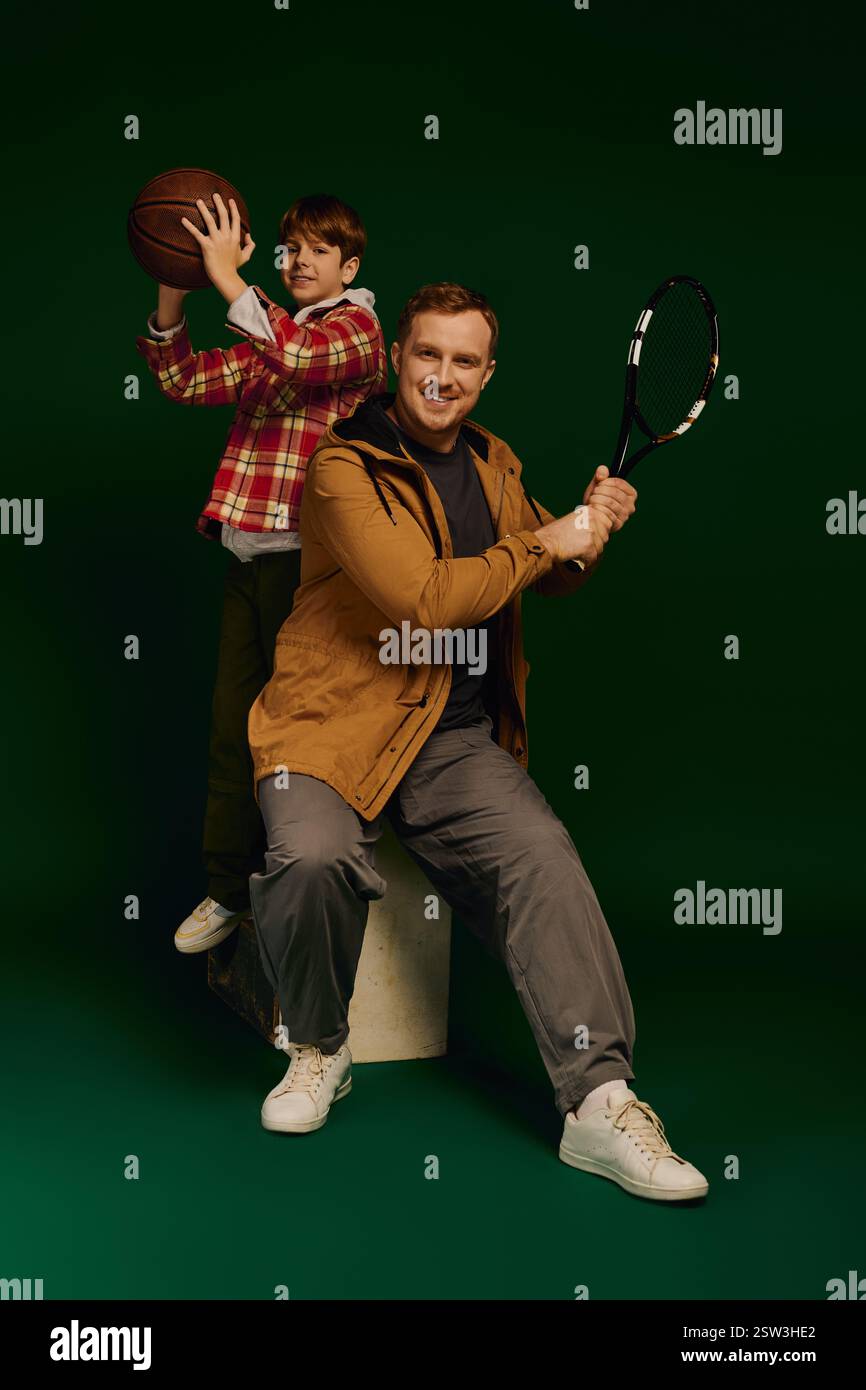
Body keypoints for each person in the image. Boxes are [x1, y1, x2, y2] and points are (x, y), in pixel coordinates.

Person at [246, 282, 708, 1203]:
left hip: (446, 732)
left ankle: (600, 1105)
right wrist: (550, 540)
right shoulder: (344, 468)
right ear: (396, 361)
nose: (443, 377)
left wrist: (588, 539)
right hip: (330, 717)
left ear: (487, 374)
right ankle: (319, 1048)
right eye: (428, 356)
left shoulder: (495, 463)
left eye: (465, 361)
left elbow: (541, 577)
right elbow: (425, 596)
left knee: (541, 853)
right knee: (309, 857)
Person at [136, 193, 387, 953]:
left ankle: (297, 904)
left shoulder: (356, 331)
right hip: (247, 565)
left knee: (294, 741)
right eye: (290, 249)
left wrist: (225, 277)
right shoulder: (270, 335)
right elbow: (183, 379)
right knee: (230, 731)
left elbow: (303, 359)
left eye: (319, 250)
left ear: (349, 268)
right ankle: (225, 891)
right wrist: (175, 286)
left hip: (308, 575)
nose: (299, 261)